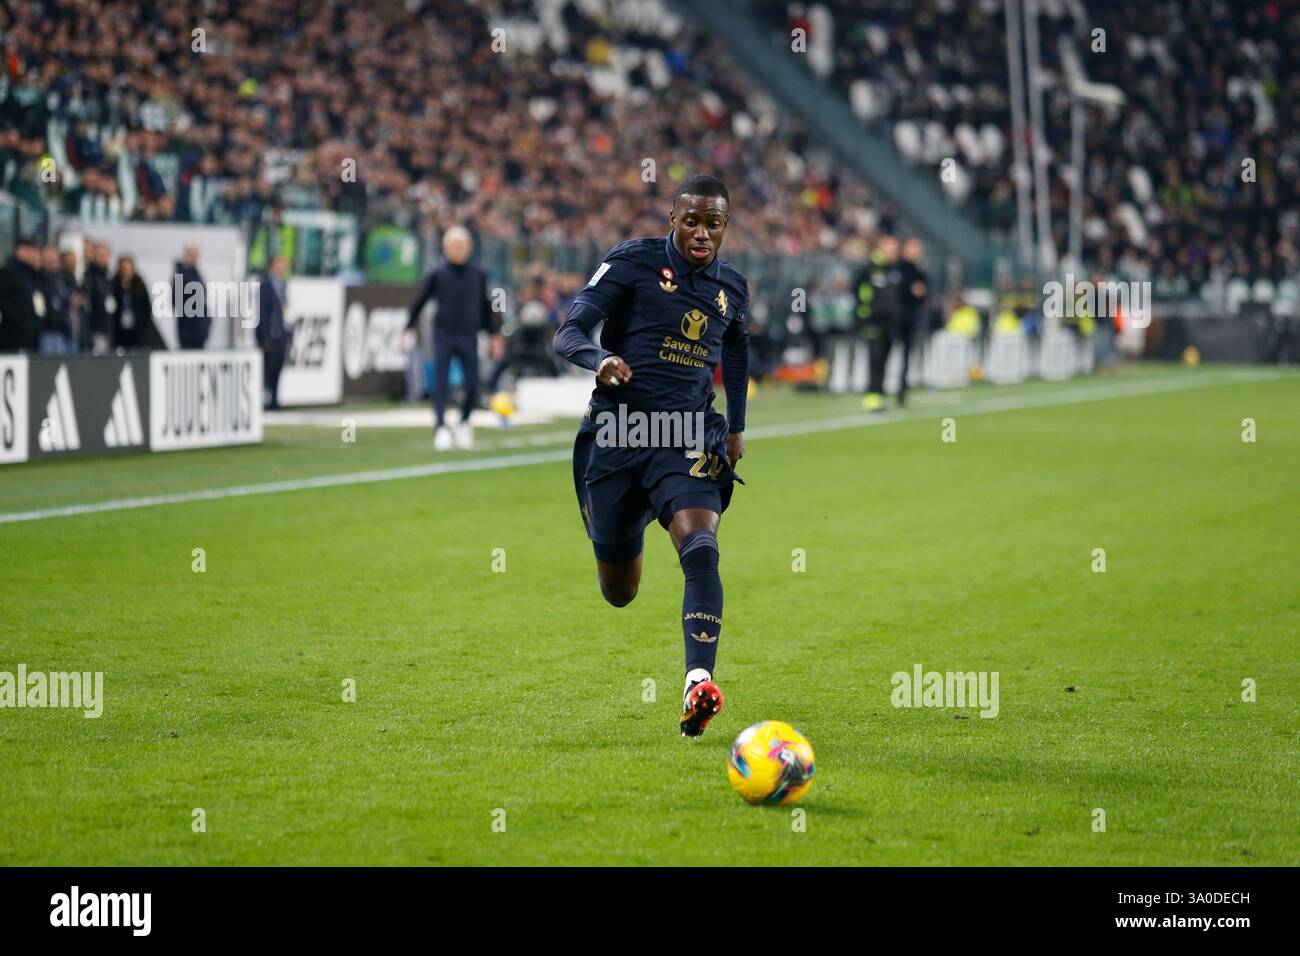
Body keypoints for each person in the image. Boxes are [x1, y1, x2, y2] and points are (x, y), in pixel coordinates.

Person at [552, 173, 749, 738]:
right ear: (673, 219)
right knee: (620, 592)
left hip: (686, 434)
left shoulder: (731, 288)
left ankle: (697, 682)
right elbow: (569, 332)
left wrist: (734, 428)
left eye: (714, 222)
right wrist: (600, 359)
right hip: (618, 435)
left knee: (701, 545)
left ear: (725, 225)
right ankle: (625, 520)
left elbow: (736, 353)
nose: (702, 233)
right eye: (692, 220)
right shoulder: (632, 263)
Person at [403, 226, 495, 451]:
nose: (458, 250)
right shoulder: (438, 273)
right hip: (443, 335)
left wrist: (493, 334)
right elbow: (421, 301)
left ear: (470, 247)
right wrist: (407, 327)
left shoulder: (478, 274)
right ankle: (441, 427)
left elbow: (486, 306)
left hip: (468, 336)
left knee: (473, 384)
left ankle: (464, 422)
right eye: (453, 245)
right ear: (445, 248)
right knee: (440, 384)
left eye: (462, 245)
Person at [853, 234, 904, 413]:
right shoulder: (868, 269)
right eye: (890, 246)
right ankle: (871, 398)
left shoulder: (894, 270)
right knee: (875, 360)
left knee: (885, 361)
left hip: (890, 324)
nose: (893, 251)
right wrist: (864, 315)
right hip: (872, 323)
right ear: (881, 246)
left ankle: (879, 396)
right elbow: (858, 294)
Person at [894, 237, 929, 405]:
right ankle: (882, 388)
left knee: (907, 356)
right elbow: (910, 291)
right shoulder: (898, 268)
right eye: (914, 247)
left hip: (911, 318)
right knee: (888, 354)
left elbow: (922, 292)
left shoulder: (919, 269)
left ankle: (902, 389)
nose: (918, 251)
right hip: (895, 318)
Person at [256, 254, 290, 409]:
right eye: (279, 264)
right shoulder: (265, 284)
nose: (282, 268)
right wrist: (264, 337)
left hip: (281, 334)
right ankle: (265, 400)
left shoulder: (283, 285)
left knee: (277, 369)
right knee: (267, 370)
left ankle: (275, 400)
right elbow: (261, 312)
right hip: (270, 336)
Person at [109, 255, 164, 350]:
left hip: (137, 331)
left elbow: (147, 308)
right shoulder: (114, 284)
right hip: (120, 331)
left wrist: (142, 325)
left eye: (128, 268)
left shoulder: (139, 284)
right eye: (124, 268)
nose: (126, 271)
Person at [0, 237, 43, 353]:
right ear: (21, 250)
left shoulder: (32, 274)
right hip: (12, 335)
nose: (35, 254)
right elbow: (3, 301)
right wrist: (20, 319)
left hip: (31, 335)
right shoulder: (8, 272)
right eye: (31, 250)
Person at [39, 245, 77, 355]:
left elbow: (72, 296)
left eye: (53, 254)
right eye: (48, 254)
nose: (51, 258)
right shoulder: (40, 276)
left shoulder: (65, 276)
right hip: (49, 330)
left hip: (67, 330)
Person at [174, 244, 211, 349]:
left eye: (196, 256)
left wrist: (206, 323)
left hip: (199, 330)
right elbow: (176, 302)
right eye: (192, 255)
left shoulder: (196, 273)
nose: (194, 258)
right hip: (188, 331)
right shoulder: (181, 275)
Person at [83, 241, 113, 354]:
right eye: (100, 255)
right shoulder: (89, 275)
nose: (103, 258)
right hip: (95, 329)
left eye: (105, 255)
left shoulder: (107, 276)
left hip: (107, 328)